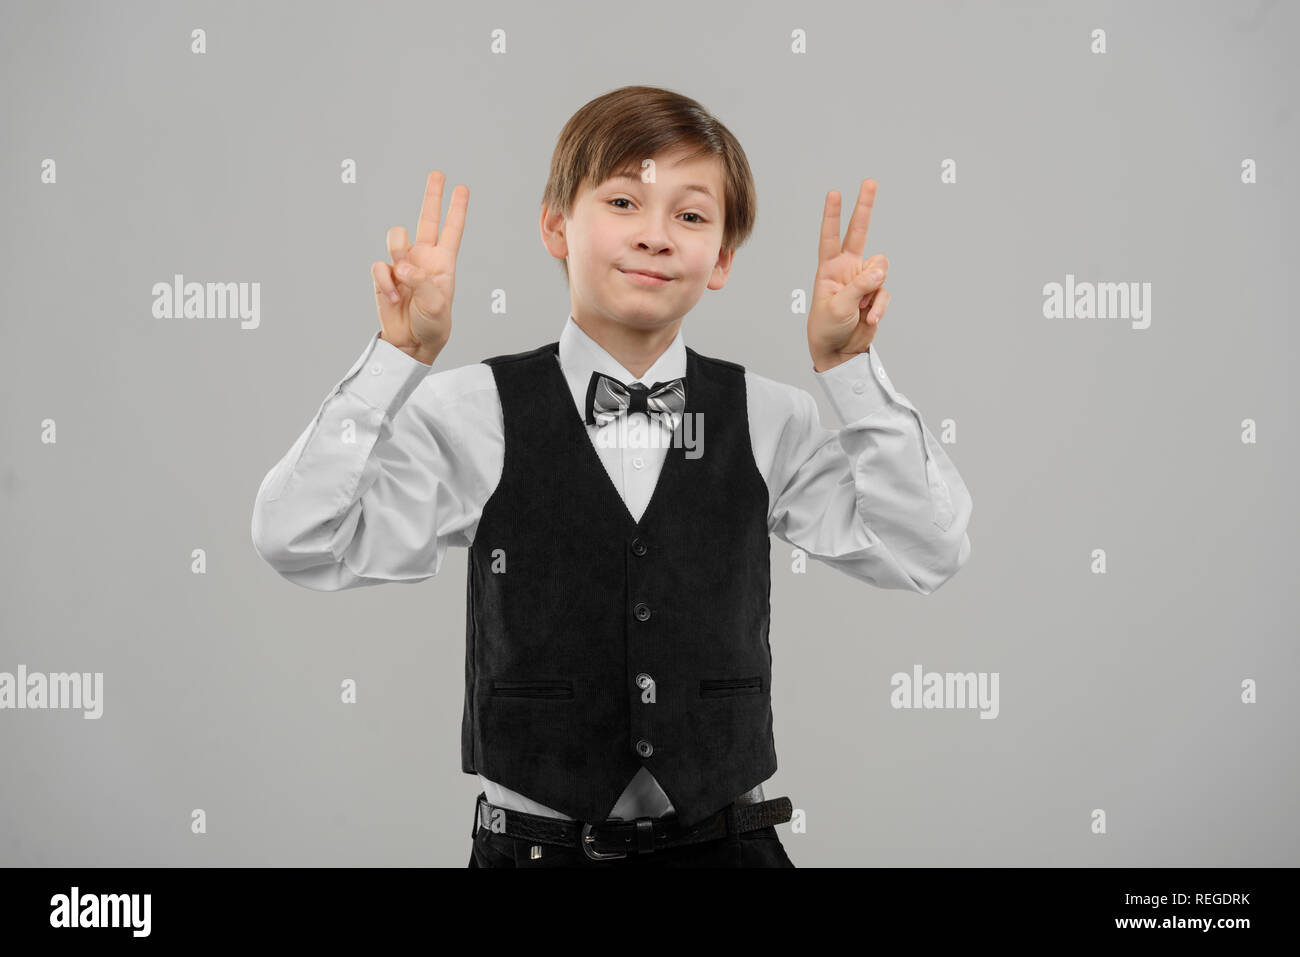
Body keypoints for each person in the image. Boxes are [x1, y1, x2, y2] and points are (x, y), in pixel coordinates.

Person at [251, 85, 973, 868]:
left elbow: (928, 548)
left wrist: (849, 369)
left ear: (723, 258)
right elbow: (298, 536)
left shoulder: (770, 417)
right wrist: (398, 360)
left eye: (691, 216)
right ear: (557, 224)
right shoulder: (474, 410)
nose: (656, 237)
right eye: (624, 201)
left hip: (730, 849)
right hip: (538, 853)